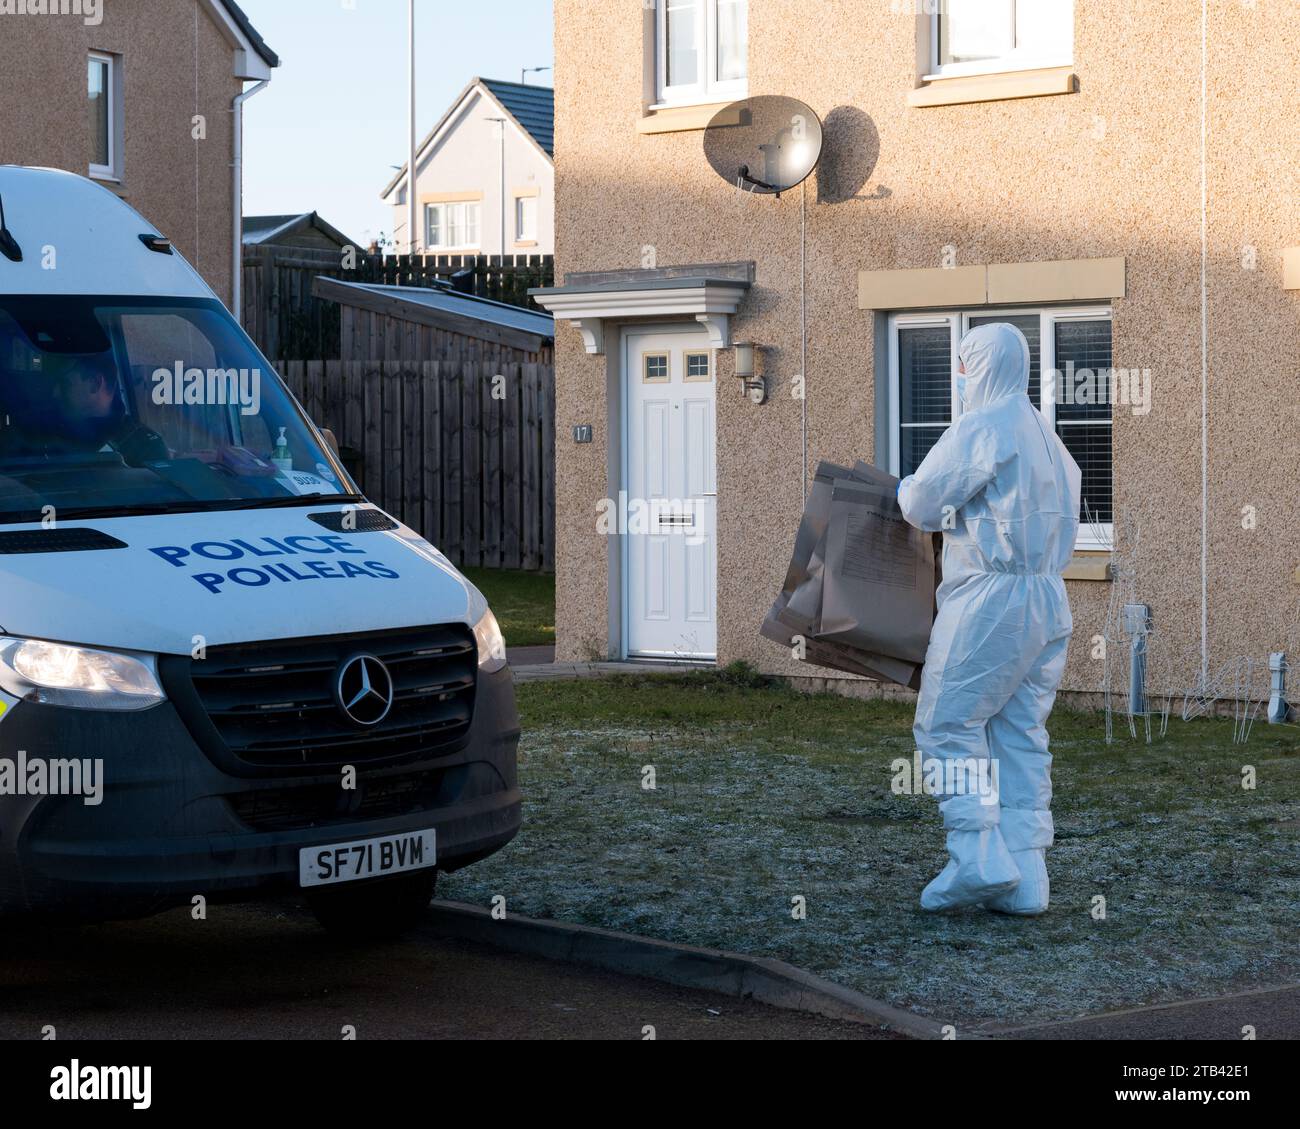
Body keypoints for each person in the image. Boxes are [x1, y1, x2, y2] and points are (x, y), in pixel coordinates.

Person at [897, 322, 1081, 915]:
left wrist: (903, 488)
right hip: (1048, 598)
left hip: (989, 597)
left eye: (962, 362)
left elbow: (924, 505)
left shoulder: (982, 428)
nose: (957, 374)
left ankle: (975, 855)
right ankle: (1027, 877)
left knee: (946, 723)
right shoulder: (1050, 441)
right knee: (1019, 731)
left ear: (979, 366)